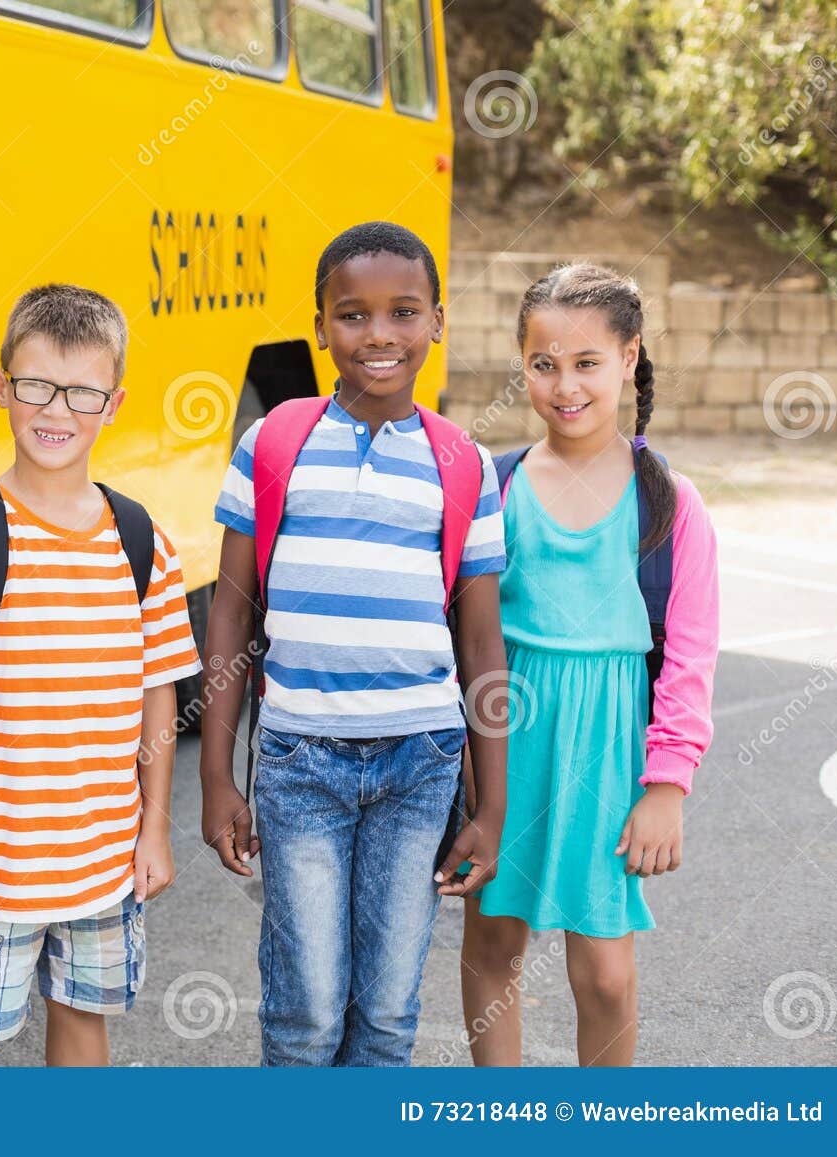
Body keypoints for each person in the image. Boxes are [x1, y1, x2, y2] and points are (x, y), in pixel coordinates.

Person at [200, 221, 510, 1066]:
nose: (379, 336)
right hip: (302, 759)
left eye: (403, 312)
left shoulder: (464, 463)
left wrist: (491, 804)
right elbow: (230, 616)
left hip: (422, 761)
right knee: (303, 1012)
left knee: (384, 1014)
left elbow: (481, 643)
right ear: (321, 325)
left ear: (438, 321)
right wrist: (217, 773)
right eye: (353, 315)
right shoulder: (273, 443)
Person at [0, 284, 201, 1065]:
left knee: (82, 1028)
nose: (57, 409)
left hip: (104, 855)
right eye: (37, 385)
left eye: (83, 392)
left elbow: (158, 697)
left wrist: (153, 828)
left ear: (114, 404)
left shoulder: (143, 542)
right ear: (2, 386)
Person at [460, 262, 719, 1066]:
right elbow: (467, 636)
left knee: (603, 972)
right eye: (542, 364)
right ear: (522, 365)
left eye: (586, 363)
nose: (563, 385)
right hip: (507, 746)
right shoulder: (492, 487)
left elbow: (689, 656)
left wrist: (667, 787)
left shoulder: (670, 500)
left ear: (630, 356)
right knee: (493, 945)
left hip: (608, 754)